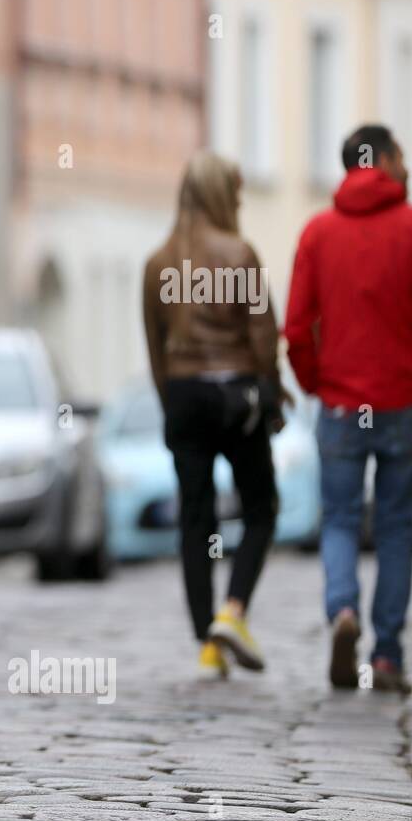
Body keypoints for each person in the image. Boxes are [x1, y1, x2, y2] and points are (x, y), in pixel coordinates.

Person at [142, 150, 291, 680]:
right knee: (261, 508)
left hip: (184, 396)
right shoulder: (239, 253)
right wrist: (273, 394)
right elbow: (263, 335)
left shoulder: (157, 263)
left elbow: (156, 351)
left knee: (195, 519)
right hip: (236, 395)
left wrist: (172, 408)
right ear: (221, 195)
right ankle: (233, 611)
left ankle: (208, 643)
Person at [285, 124, 412, 695]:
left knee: (339, 518)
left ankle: (343, 610)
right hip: (402, 402)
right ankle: (386, 655)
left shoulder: (318, 233)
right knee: (395, 526)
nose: (407, 167)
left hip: (340, 405)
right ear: (381, 159)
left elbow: (296, 328)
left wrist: (316, 385)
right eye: (402, 156)